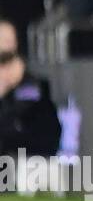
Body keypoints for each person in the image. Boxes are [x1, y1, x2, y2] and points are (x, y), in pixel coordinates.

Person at [0, 20, 62, 157]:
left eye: (8, 39)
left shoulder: (30, 82)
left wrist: (7, 88)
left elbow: (19, 115)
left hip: (29, 158)